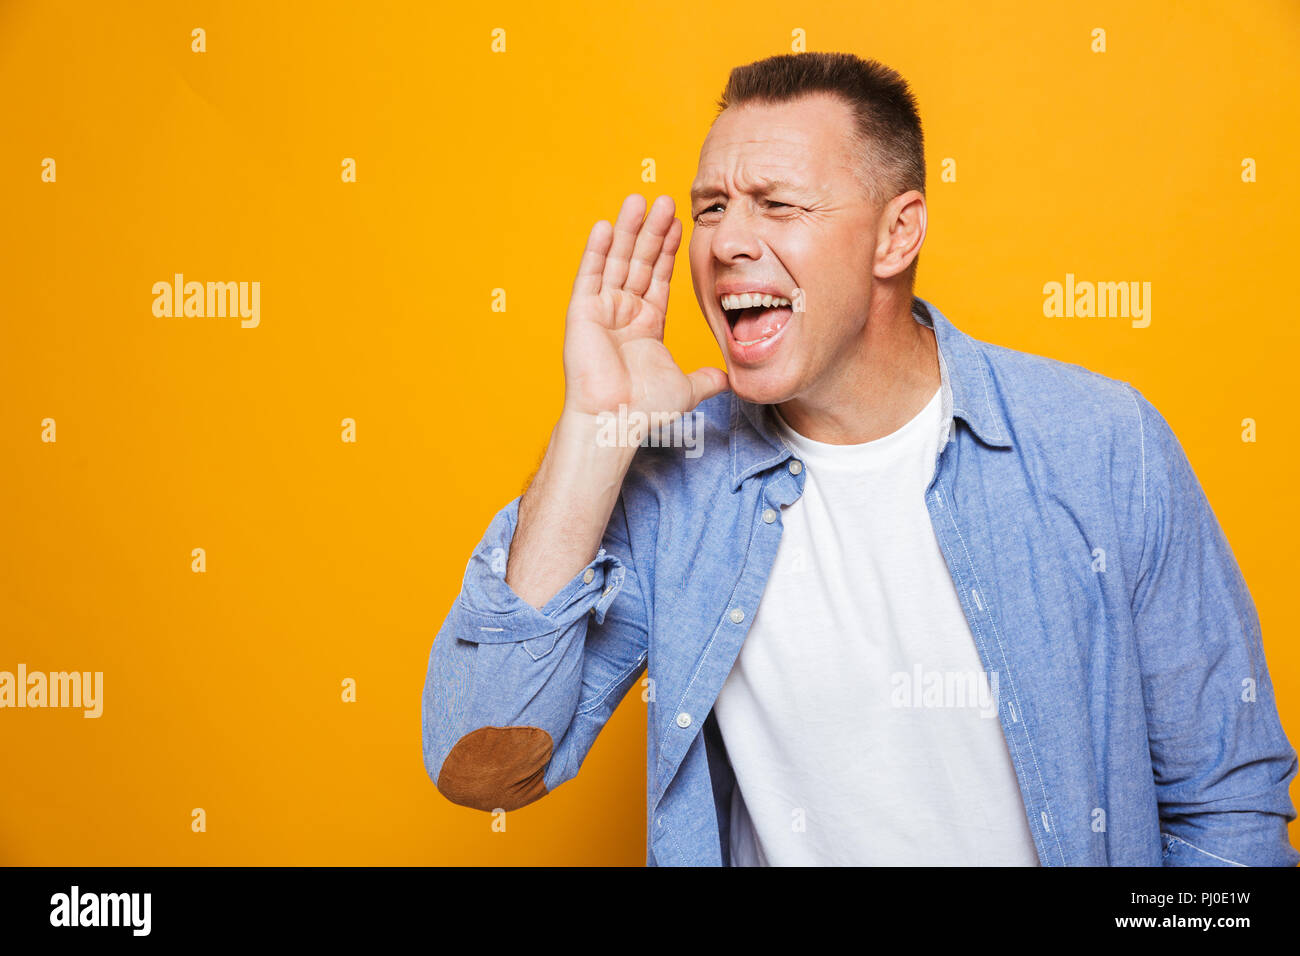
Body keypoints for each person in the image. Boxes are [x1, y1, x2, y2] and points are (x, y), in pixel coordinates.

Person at [421, 51, 1299, 866]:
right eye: (713, 207)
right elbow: (482, 765)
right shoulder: (674, 484)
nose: (727, 242)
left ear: (895, 235)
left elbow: (1228, 805)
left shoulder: (1101, 446)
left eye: (779, 204)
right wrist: (592, 428)